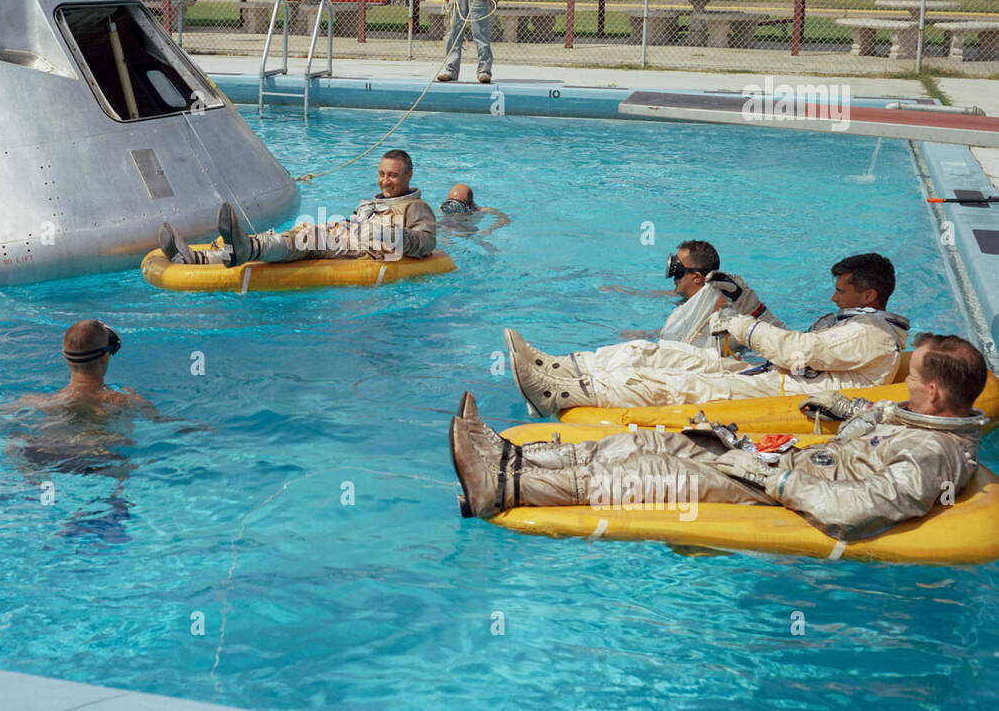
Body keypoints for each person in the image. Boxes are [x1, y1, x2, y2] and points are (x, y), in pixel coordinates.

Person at [451, 333, 988, 541]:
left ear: (936, 393)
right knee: (648, 443)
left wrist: (773, 481)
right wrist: (849, 409)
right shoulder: (917, 420)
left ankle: (499, 485)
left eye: (913, 378)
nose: (906, 383)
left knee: (651, 475)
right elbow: (873, 432)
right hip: (781, 460)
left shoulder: (933, 455)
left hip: (777, 484)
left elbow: (858, 509)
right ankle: (510, 455)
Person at [507, 252, 908, 413]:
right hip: (772, 375)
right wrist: (746, 301)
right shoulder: (854, 325)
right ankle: (559, 367)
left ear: (869, 295)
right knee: (660, 354)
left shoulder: (872, 335)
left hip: (787, 395)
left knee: (674, 386)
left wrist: (737, 322)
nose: (833, 297)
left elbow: (799, 351)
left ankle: (561, 394)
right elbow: (791, 342)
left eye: (841, 290)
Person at [159, 150, 437, 266]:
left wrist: (390, 235)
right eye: (382, 174)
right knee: (300, 232)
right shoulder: (371, 203)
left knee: (303, 238)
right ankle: (198, 260)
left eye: (393, 176)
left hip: (361, 246)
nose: (385, 181)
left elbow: (426, 242)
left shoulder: (415, 206)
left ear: (408, 177)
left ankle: (246, 249)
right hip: (343, 235)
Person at [12, 319, 155, 414]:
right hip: (98, 455)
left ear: (64, 355)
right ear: (105, 357)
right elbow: (164, 425)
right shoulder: (125, 399)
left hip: (41, 450)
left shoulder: (37, 401)